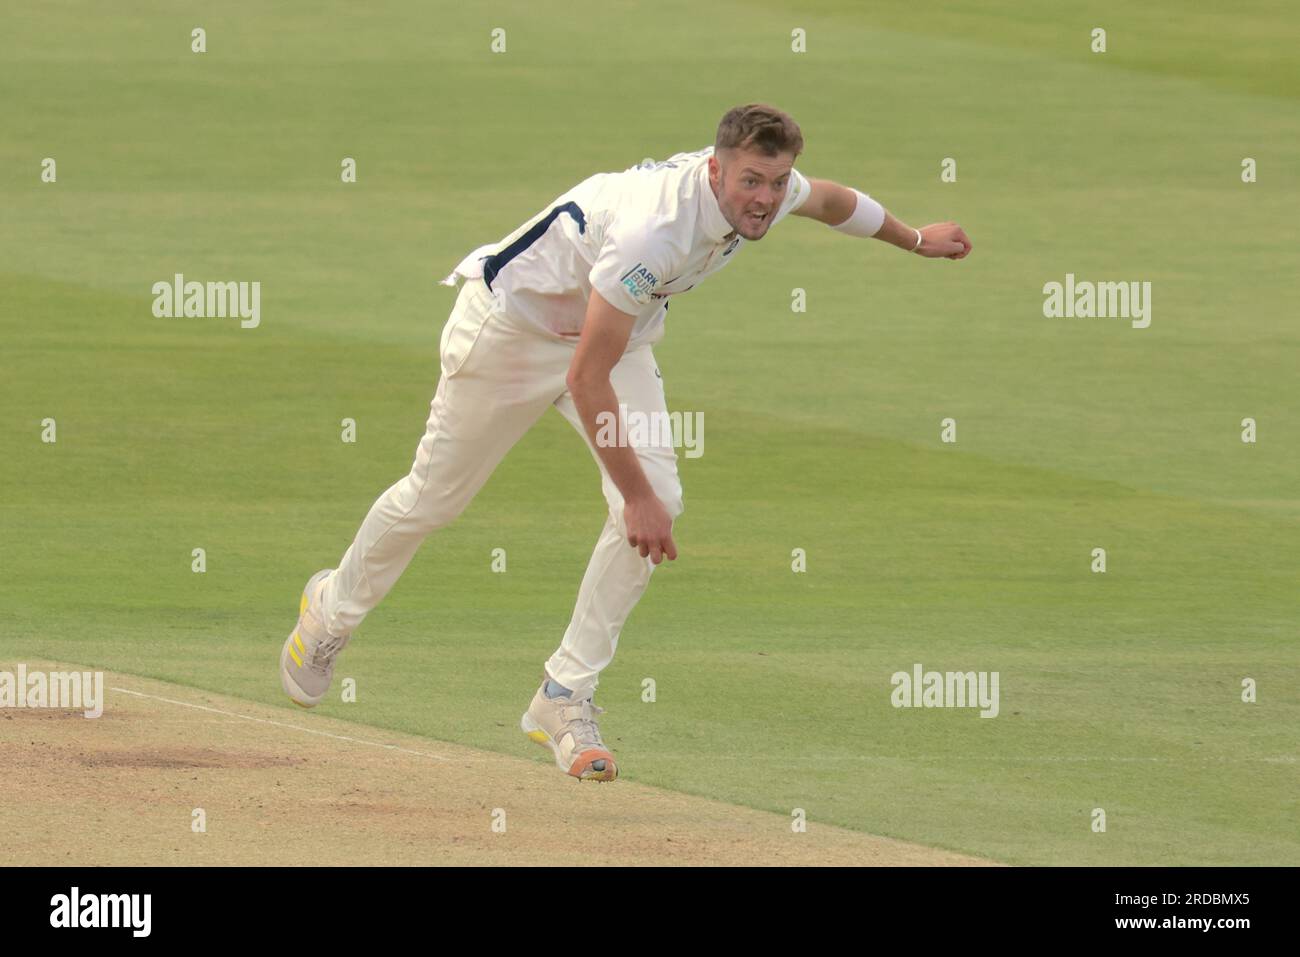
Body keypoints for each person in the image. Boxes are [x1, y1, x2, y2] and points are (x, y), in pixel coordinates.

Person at [279, 103, 973, 783]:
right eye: (750, 183)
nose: (764, 199)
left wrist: (914, 238)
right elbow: (587, 377)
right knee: (435, 500)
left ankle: (561, 696)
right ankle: (330, 609)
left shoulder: (776, 189)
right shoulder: (655, 233)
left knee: (660, 502)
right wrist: (632, 494)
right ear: (714, 170)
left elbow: (831, 201)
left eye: (775, 181)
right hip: (512, 333)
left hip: (616, 333)